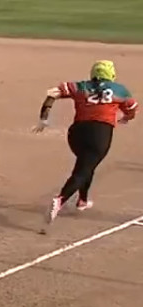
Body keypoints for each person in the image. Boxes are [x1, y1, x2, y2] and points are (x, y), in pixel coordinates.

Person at [33, 59, 137, 231]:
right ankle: (60, 199)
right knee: (83, 169)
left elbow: (52, 94)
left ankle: (82, 200)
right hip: (100, 135)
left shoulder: (80, 86)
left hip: (76, 134)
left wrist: (43, 119)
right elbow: (132, 108)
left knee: (87, 164)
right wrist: (126, 118)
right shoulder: (120, 90)